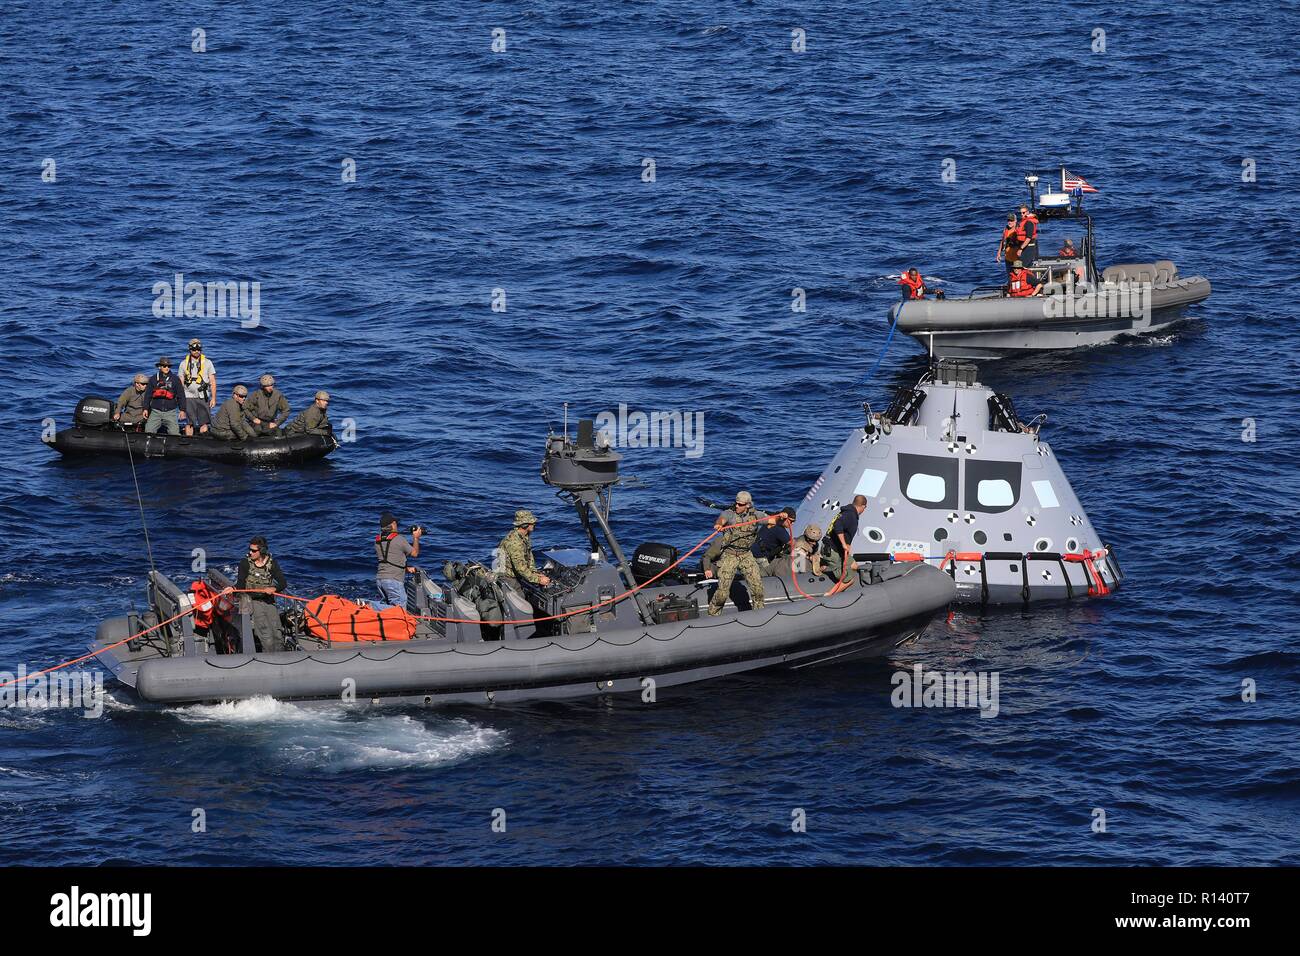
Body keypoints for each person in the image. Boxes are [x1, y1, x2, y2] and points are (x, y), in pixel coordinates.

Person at [707, 490, 777, 616]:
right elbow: (721, 519)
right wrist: (718, 525)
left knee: (758, 588)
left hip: (746, 555)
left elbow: (772, 521)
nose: (737, 506)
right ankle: (713, 614)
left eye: (741, 504)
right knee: (722, 593)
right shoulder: (729, 514)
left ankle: (759, 614)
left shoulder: (756, 515)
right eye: (737, 503)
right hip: (730, 555)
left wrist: (781, 517)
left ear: (748, 505)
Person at [236, 535, 287, 653]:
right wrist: (232, 589)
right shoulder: (245, 563)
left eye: (253, 550)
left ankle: (282, 661)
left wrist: (274, 588)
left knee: (278, 635)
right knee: (266, 637)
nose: (250, 552)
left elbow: (283, 583)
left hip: (269, 601)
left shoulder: (272, 563)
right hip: (253, 602)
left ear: (262, 551)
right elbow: (240, 586)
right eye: (250, 549)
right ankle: (268, 663)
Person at [375, 511, 421, 609]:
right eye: (396, 523)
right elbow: (415, 553)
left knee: (388, 609)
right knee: (399, 610)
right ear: (393, 524)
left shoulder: (377, 540)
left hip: (380, 580)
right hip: (393, 581)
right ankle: (370, 605)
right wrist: (416, 538)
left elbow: (389, 560)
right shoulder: (399, 539)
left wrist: (406, 569)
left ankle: (374, 607)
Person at [497, 510, 551, 587]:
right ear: (524, 525)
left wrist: (534, 573)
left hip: (518, 574)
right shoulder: (515, 543)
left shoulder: (523, 537)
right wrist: (538, 580)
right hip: (508, 578)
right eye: (531, 522)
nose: (534, 524)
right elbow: (520, 568)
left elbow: (529, 556)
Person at [823, 495, 868, 586]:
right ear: (863, 506)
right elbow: (837, 525)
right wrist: (844, 544)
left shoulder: (848, 512)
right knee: (849, 579)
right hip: (832, 551)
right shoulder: (850, 515)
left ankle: (827, 566)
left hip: (838, 549)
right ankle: (829, 595)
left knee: (854, 566)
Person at [178, 337, 216, 436]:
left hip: (203, 396)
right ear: (190, 349)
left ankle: (204, 439)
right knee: (189, 422)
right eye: (194, 349)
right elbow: (180, 383)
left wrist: (213, 398)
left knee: (204, 422)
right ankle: (188, 441)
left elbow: (212, 381)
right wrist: (181, 400)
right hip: (188, 396)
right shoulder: (183, 364)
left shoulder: (208, 362)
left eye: (198, 349)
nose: (196, 351)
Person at [142, 356, 186, 435]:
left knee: (175, 433)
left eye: (168, 366)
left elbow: (181, 396)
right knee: (148, 431)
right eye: (164, 366)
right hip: (156, 411)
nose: (167, 368)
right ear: (159, 367)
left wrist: (182, 410)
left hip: (170, 412)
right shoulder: (153, 379)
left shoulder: (175, 379)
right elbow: (148, 395)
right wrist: (145, 408)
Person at [752, 506, 796, 574]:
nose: (792, 524)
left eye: (794, 521)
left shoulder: (772, 518)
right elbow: (792, 544)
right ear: (784, 518)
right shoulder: (780, 531)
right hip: (761, 558)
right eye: (791, 521)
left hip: (753, 552)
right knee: (767, 575)